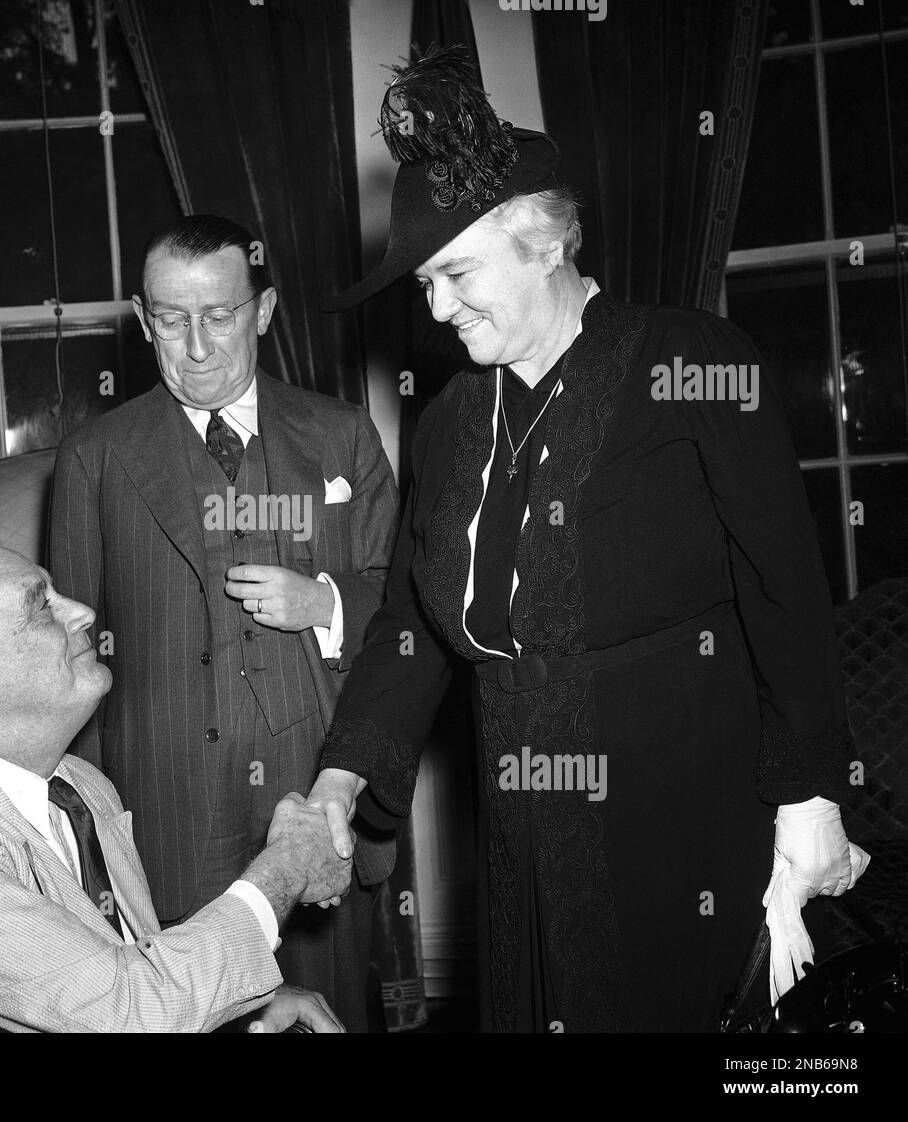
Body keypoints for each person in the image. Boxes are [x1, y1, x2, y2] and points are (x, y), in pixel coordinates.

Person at [303, 47, 869, 1032]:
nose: (436, 309)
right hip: (520, 828)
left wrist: (812, 793)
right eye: (425, 284)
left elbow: (786, 594)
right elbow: (410, 623)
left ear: (546, 243)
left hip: (682, 812)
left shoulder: (692, 365)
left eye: (454, 273)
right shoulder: (445, 423)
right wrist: (342, 776)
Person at [48, 215, 399, 1032]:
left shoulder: (341, 433)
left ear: (264, 310)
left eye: (221, 315)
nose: (197, 345)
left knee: (328, 1019)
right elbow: (68, 666)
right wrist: (97, 847)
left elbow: (411, 618)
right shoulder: (94, 460)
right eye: (172, 320)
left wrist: (325, 602)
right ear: (143, 320)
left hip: (318, 802)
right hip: (168, 821)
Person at [0, 535, 351, 1033]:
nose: (82, 611)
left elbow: (121, 970)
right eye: (42, 607)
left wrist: (244, 1005)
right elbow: (135, 1015)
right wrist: (286, 868)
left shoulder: (80, 785)